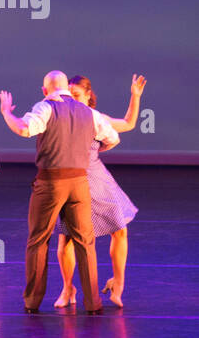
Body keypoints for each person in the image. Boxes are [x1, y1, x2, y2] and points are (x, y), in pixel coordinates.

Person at [0, 71, 121, 314]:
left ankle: (32, 302)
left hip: (51, 183)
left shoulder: (46, 107)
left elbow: (24, 129)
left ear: (45, 90)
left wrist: (6, 112)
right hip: (79, 182)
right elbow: (113, 138)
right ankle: (93, 303)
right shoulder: (90, 113)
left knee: (38, 240)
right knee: (85, 243)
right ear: (67, 88)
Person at [52, 74, 147, 308]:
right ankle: (68, 288)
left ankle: (118, 283)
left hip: (97, 178)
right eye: (68, 96)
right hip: (71, 179)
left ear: (87, 96)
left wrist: (135, 96)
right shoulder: (61, 116)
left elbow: (128, 123)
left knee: (120, 229)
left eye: (76, 96)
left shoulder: (96, 118)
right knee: (67, 238)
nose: (71, 101)